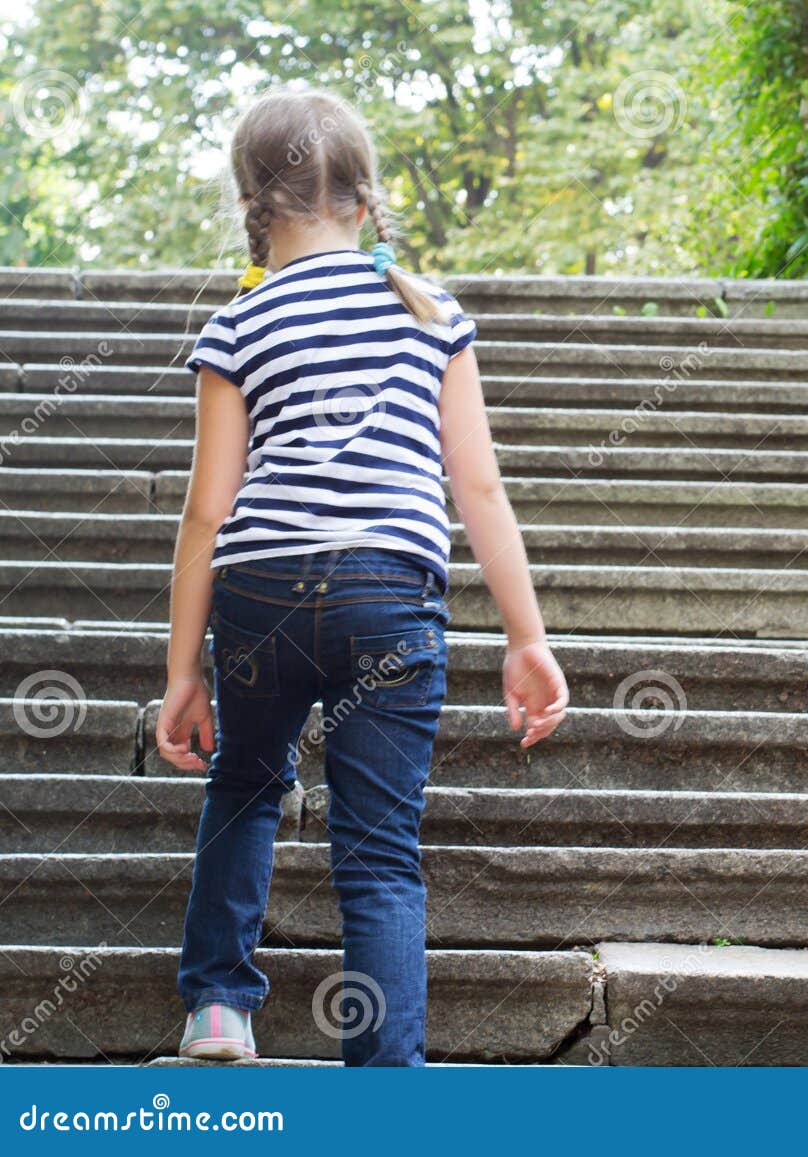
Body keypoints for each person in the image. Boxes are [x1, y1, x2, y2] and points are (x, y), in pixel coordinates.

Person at [154, 89, 569, 1066]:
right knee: (378, 851)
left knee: (246, 784)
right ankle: (386, 1078)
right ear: (361, 198)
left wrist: (183, 671)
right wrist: (527, 635)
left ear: (253, 198)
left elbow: (206, 511)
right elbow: (477, 485)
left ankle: (217, 1006)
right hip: (389, 592)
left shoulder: (240, 322)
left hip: (259, 588)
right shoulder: (428, 313)